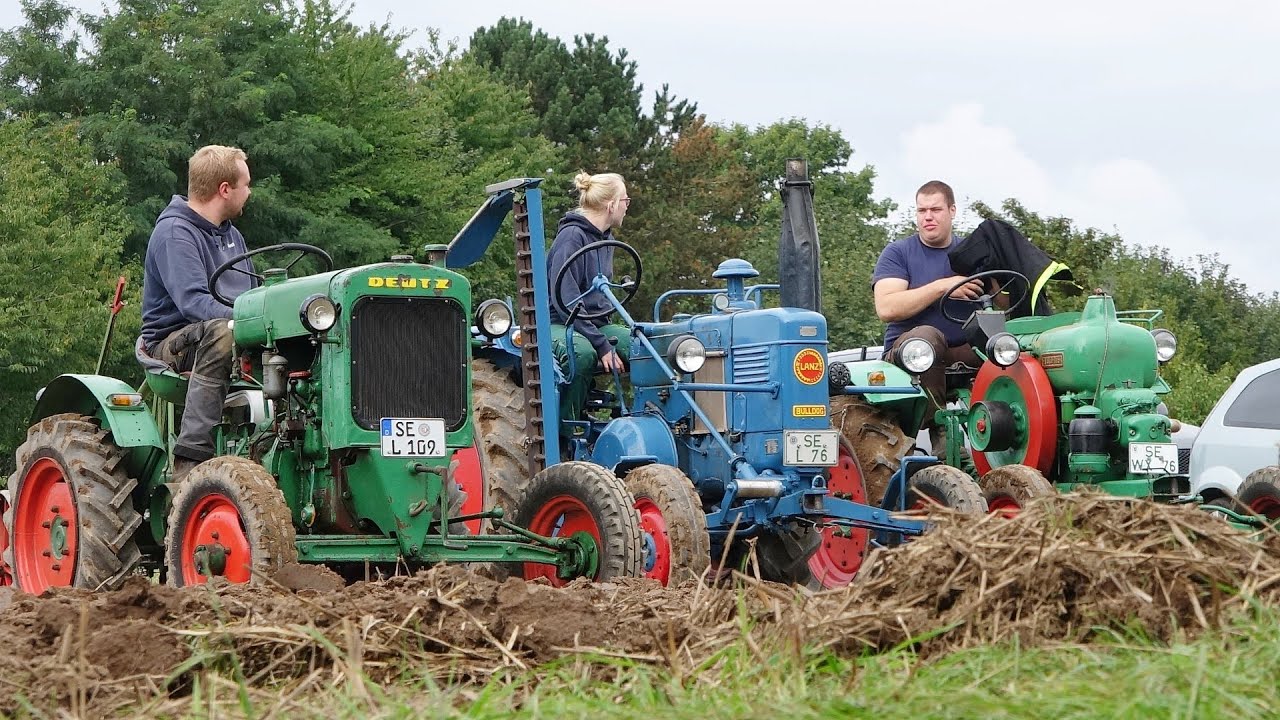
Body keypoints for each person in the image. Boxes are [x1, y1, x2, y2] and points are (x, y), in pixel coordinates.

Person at [139, 145, 257, 478]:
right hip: (174, 342)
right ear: (224, 189)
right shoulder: (175, 233)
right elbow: (194, 304)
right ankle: (190, 460)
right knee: (223, 332)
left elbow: (250, 293)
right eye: (245, 185)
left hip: (232, 327)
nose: (249, 192)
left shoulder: (232, 235)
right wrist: (250, 321)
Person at [871, 180, 984, 442]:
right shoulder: (898, 253)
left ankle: (1012, 441)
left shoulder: (973, 253)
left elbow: (1002, 302)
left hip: (961, 355)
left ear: (952, 211)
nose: (928, 217)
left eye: (935, 210)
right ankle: (942, 438)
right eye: (922, 211)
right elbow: (886, 308)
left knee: (1006, 345)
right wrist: (941, 288)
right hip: (906, 357)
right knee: (926, 338)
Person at [546, 171, 633, 430]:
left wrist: (604, 337)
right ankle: (567, 429)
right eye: (625, 199)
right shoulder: (571, 238)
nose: (627, 205)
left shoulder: (607, 239)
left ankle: (641, 420)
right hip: (560, 322)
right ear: (611, 205)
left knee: (643, 345)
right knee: (581, 354)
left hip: (594, 324)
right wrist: (602, 344)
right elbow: (566, 299)